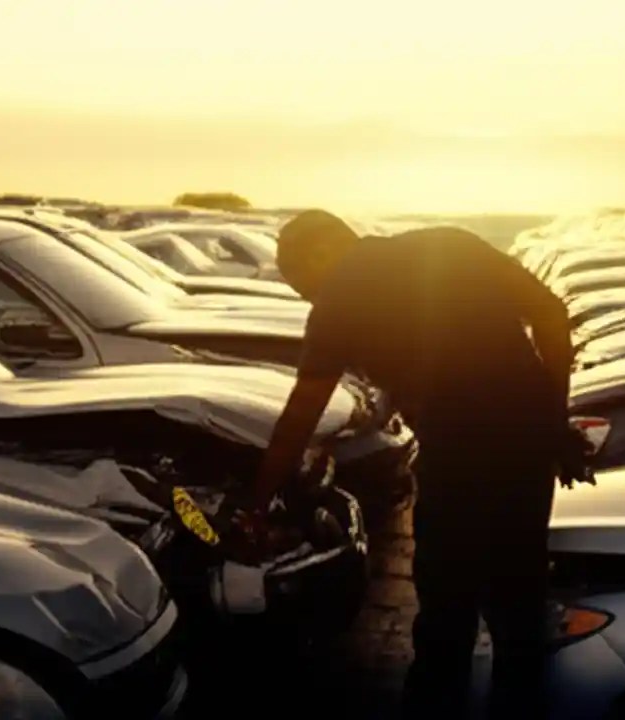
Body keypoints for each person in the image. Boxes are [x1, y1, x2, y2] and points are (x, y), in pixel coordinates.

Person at [246, 210, 588, 719]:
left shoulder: (338, 299)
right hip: (526, 452)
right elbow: (552, 315)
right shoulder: (450, 245)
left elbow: (302, 412)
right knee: (519, 609)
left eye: (298, 281)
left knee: (446, 619)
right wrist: (553, 421)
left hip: (457, 462)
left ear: (321, 255)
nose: (304, 296)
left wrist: (257, 499)